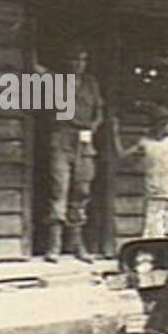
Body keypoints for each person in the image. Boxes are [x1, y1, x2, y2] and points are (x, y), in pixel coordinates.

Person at [42, 43, 104, 262]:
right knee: (59, 188)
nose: (78, 64)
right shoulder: (57, 80)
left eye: (82, 59)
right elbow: (36, 70)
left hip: (84, 139)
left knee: (81, 190)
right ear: (66, 62)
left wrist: (92, 128)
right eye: (74, 59)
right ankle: (54, 246)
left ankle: (78, 246)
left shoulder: (91, 83)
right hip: (62, 135)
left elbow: (99, 112)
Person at [112, 106, 168, 238]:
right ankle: (148, 253)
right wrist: (115, 133)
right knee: (154, 227)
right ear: (160, 125)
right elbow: (123, 155)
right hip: (155, 192)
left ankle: (165, 253)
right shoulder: (145, 144)